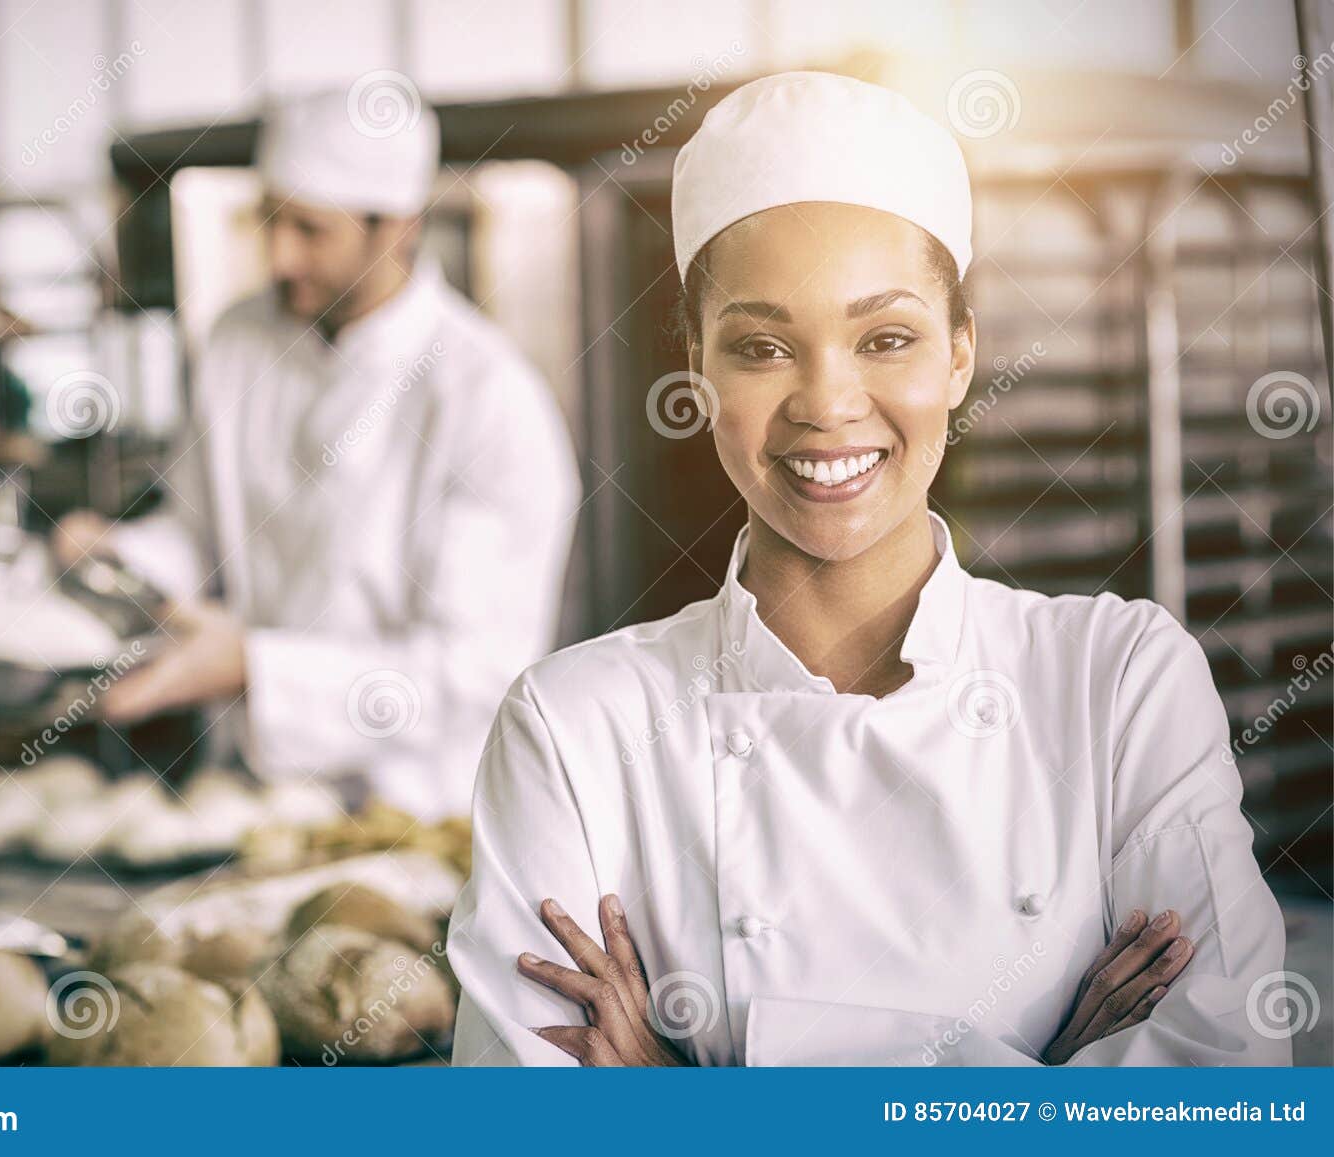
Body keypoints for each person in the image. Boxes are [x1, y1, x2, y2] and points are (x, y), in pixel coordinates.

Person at [446, 72, 1290, 1066]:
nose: (828, 403)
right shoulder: (572, 728)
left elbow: (1221, 1100)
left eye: (885, 338)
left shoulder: (1119, 678)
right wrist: (1046, 1083)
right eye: (761, 347)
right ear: (694, 364)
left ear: (961, 355)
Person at [54, 88, 579, 820]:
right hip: (245, 802)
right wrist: (119, 560)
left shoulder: (486, 397)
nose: (279, 255)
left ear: (396, 227)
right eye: (270, 218)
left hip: (416, 817)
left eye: (309, 229)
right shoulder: (239, 342)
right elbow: (198, 531)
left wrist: (256, 669)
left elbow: (474, 670)